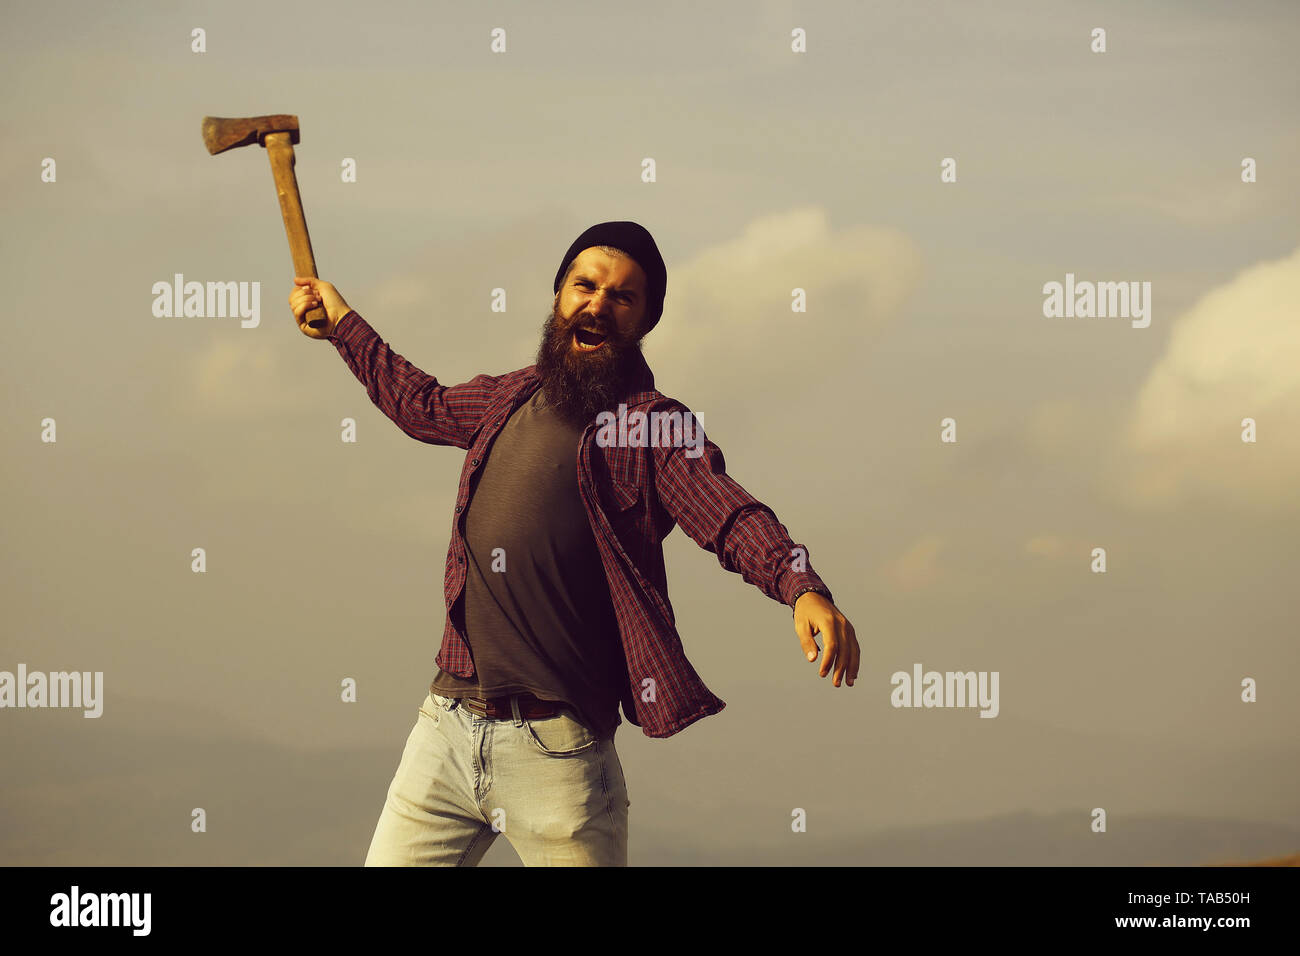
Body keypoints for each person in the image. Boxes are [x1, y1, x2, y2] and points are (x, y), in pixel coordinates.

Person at [287, 221, 859, 866]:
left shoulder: (651, 427)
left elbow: (726, 513)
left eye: (623, 297)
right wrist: (343, 324)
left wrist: (801, 586)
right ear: (559, 296)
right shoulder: (509, 397)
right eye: (584, 286)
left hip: (556, 749)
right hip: (446, 726)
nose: (598, 304)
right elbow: (423, 405)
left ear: (645, 320)